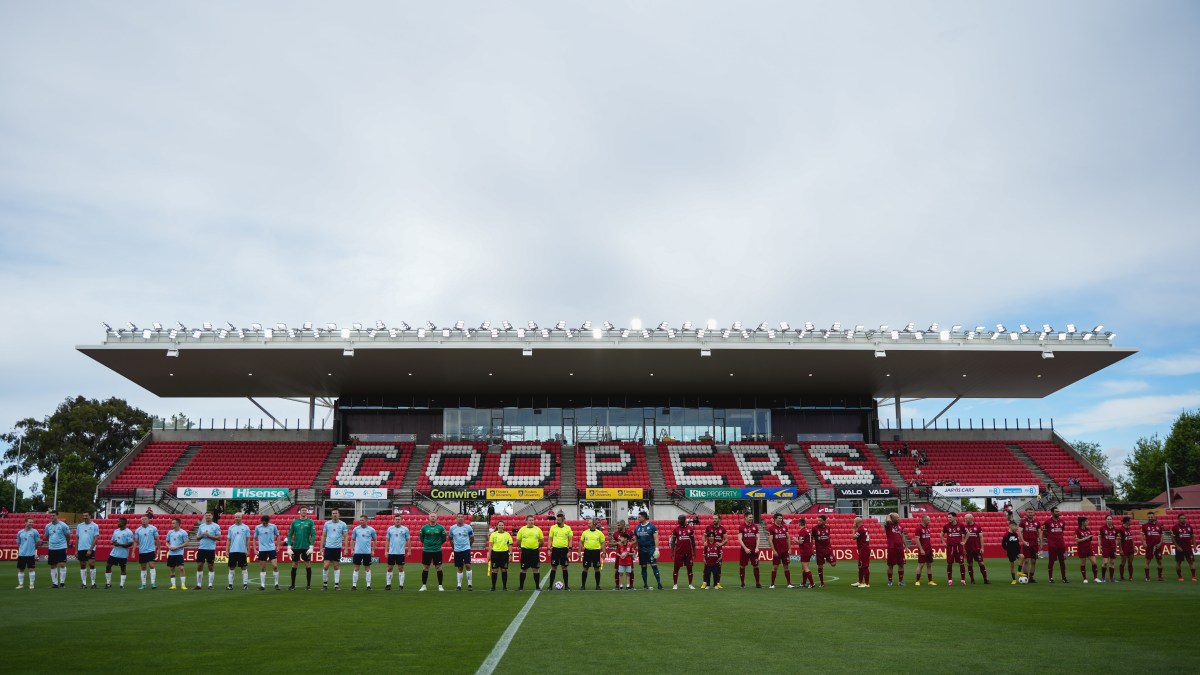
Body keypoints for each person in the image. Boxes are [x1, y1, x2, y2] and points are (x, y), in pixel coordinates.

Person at [287, 506, 316, 590]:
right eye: (302, 510)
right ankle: (292, 585)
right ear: (299, 512)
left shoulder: (310, 522)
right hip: (296, 546)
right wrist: (289, 547)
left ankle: (308, 585)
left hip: (306, 546)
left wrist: (311, 546)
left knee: (307, 564)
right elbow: (289, 534)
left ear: (307, 512)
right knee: (294, 564)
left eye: (305, 510)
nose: (304, 512)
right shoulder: (294, 522)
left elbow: (313, 534)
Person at [320, 509, 349, 591]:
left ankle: (336, 585)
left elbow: (346, 536)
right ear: (331, 514)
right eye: (333, 513)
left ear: (339, 514)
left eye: (336, 513)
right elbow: (323, 536)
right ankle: (325, 584)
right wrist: (321, 547)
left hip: (337, 548)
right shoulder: (327, 524)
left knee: (336, 566)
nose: (334, 514)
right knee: (326, 566)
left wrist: (346, 548)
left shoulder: (343, 524)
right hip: (328, 547)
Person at [418, 513, 447, 592]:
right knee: (425, 568)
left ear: (437, 518)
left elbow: (444, 538)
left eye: (434, 516)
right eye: (431, 516)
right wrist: (427, 544)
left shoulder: (441, 528)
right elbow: (421, 538)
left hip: (437, 550)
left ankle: (440, 586)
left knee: (438, 567)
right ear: (429, 518)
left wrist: (437, 544)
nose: (433, 517)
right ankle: (424, 586)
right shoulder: (424, 528)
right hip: (427, 550)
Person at [634, 511, 664, 590]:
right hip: (641, 549)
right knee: (643, 567)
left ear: (644, 517)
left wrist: (657, 549)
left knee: (654, 566)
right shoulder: (637, 528)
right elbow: (636, 540)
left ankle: (659, 584)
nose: (638, 518)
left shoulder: (652, 526)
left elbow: (656, 538)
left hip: (650, 549)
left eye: (639, 517)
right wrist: (634, 549)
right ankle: (645, 585)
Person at [43, 511, 72, 589]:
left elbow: (68, 536)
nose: (52, 517)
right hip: (52, 548)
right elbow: (47, 536)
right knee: (53, 566)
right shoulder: (48, 526)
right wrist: (51, 543)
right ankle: (55, 583)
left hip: (61, 547)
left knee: (62, 564)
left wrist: (66, 544)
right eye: (51, 516)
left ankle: (62, 583)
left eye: (54, 515)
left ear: (57, 516)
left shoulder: (63, 525)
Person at [515, 514, 544, 591]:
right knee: (523, 569)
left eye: (532, 520)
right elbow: (518, 542)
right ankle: (521, 587)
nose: (531, 521)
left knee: (536, 569)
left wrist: (536, 546)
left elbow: (541, 541)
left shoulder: (538, 529)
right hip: (525, 552)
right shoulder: (522, 530)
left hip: (535, 551)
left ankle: (537, 586)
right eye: (530, 520)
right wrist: (524, 547)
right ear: (526, 521)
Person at [253, 514, 281, 591]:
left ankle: (276, 584)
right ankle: (262, 585)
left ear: (268, 521)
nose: (264, 524)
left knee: (275, 566)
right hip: (262, 549)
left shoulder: (273, 526)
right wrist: (255, 549)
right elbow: (254, 538)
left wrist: (278, 546)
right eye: (263, 523)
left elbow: (278, 536)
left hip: (271, 548)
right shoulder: (258, 527)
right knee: (262, 567)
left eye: (265, 523)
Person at [546, 513, 573, 591]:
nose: (557, 521)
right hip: (555, 550)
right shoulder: (553, 528)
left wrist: (570, 550)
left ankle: (567, 586)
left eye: (558, 520)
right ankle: (550, 586)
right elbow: (550, 539)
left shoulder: (568, 528)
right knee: (554, 567)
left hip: (564, 550)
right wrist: (548, 549)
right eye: (556, 519)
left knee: (564, 567)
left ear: (563, 520)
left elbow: (570, 539)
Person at [1041, 507, 1068, 583]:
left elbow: (1062, 531)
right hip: (1052, 544)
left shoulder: (1062, 521)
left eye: (1058, 511)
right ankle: (1050, 578)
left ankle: (1064, 577)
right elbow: (1045, 532)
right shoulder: (1047, 522)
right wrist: (1046, 540)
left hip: (1061, 544)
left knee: (1062, 561)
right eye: (1056, 511)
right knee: (1051, 561)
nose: (1058, 513)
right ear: (1052, 513)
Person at [106, 517, 134, 589]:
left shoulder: (128, 532)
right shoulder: (116, 531)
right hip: (114, 552)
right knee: (108, 566)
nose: (117, 523)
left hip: (123, 554)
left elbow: (130, 543)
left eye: (119, 522)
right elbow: (112, 540)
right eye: (117, 522)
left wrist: (120, 545)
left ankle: (121, 585)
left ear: (124, 523)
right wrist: (114, 542)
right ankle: (108, 583)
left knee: (123, 568)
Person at [766, 513, 793, 589]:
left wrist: (790, 548)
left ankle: (789, 583)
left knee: (786, 566)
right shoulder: (771, 528)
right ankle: (772, 584)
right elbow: (770, 540)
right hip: (777, 551)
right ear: (775, 519)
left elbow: (788, 538)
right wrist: (773, 550)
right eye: (779, 518)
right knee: (775, 567)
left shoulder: (784, 527)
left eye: (781, 518)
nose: (780, 520)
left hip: (785, 551)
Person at [194, 512, 220, 590]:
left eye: (209, 515)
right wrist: (202, 535)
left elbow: (219, 538)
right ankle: (199, 584)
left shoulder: (216, 526)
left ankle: (210, 584)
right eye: (206, 516)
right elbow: (197, 538)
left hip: (211, 549)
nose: (208, 517)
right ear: (205, 517)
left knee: (210, 566)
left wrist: (209, 536)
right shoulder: (201, 526)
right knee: (199, 565)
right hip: (202, 548)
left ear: (212, 517)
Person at [350, 515, 377, 590]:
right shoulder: (356, 529)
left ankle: (368, 585)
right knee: (356, 568)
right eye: (360, 520)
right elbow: (352, 539)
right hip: (357, 552)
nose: (361, 521)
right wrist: (352, 550)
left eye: (362, 520)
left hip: (367, 552)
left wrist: (373, 550)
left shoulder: (371, 530)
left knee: (367, 569)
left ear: (366, 520)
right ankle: (354, 585)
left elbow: (375, 540)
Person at [670, 514, 696, 590]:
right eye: (678, 519)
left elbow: (693, 541)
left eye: (680, 519)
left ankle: (690, 584)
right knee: (676, 568)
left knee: (689, 568)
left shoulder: (690, 529)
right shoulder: (676, 529)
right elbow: (673, 542)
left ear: (684, 520)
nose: (678, 521)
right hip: (679, 552)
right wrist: (672, 552)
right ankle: (675, 584)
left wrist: (694, 552)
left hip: (688, 553)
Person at [449, 514, 475, 591]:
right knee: (459, 567)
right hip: (457, 550)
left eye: (461, 517)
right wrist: (454, 547)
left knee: (467, 565)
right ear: (456, 518)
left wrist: (468, 546)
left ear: (464, 519)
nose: (460, 518)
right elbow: (450, 538)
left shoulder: (468, 527)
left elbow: (472, 538)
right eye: (459, 517)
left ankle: (470, 584)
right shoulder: (452, 528)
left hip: (466, 549)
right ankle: (459, 585)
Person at [226, 512, 251, 590]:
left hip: (242, 551)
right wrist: (227, 550)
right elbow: (228, 540)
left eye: (238, 517)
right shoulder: (231, 528)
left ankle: (245, 584)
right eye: (236, 517)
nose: (237, 518)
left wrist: (248, 550)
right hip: (233, 551)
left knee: (244, 567)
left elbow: (248, 540)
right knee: (231, 568)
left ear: (241, 518)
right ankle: (230, 585)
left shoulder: (246, 527)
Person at [133, 514, 159, 590]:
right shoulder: (138, 530)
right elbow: (136, 541)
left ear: (148, 520)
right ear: (140, 520)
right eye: (142, 519)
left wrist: (159, 549)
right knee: (143, 567)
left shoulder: (153, 528)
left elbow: (157, 539)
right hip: (142, 551)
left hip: (151, 550)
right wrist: (133, 551)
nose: (143, 520)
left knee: (151, 565)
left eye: (145, 519)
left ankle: (153, 583)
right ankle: (143, 584)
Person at [580, 518, 606, 590]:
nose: (588, 524)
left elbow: (603, 543)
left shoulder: (599, 533)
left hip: (596, 552)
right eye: (588, 523)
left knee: (597, 569)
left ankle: (598, 585)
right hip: (587, 552)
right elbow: (581, 542)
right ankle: (583, 585)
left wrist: (604, 552)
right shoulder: (585, 532)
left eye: (590, 523)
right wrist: (579, 552)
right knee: (585, 568)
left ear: (594, 524)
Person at [75, 512, 101, 589]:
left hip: (90, 548)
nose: (85, 517)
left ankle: (93, 583)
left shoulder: (94, 526)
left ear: (90, 516)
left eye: (86, 516)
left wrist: (90, 549)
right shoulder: (79, 526)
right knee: (82, 565)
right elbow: (77, 538)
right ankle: (84, 583)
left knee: (91, 564)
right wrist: (76, 550)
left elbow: (96, 538)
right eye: (83, 516)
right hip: (81, 548)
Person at [385, 514, 410, 591]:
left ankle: (401, 585)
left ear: (401, 520)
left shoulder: (405, 529)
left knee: (401, 568)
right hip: (391, 553)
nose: (397, 520)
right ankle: (388, 585)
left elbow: (408, 540)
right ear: (394, 520)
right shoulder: (390, 529)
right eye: (396, 519)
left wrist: (409, 551)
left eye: (399, 519)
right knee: (389, 568)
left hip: (401, 552)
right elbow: (387, 540)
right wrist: (386, 551)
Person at [941, 512, 966, 586]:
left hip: (959, 547)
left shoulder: (961, 525)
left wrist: (964, 541)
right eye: (948, 517)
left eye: (950, 517)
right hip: (950, 547)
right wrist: (943, 542)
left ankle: (963, 580)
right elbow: (941, 534)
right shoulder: (946, 526)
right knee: (949, 563)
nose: (949, 519)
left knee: (961, 563)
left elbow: (967, 533)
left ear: (955, 517)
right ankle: (950, 580)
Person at [486, 519, 512, 591]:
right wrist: (489, 554)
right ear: (497, 526)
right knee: (494, 570)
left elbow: (510, 545)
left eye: (502, 525)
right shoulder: (493, 534)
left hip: (504, 554)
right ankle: (493, 587)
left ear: (504, 526)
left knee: (504, 570)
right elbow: (490, 545)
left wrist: (510, 554)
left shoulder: (507, 534)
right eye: (499, 525)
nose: (501, 526)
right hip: (495, 554)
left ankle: (504, 587)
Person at [738, 513, 762, 589]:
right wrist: (745, 548)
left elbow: (758, 537)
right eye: (750, 517)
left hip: (754, 550)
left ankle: (758, 583)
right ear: (745, 518)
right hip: (744, 550)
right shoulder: (741, 527)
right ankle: (742, 583)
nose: (751, 518)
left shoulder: (755, 527)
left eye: (752, 517)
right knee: (742, 566)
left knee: (756, 566)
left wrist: (757, 547)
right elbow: (740, 539)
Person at [964, 514, 989, 584]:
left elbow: (981, 537)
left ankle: (986, 579)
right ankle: (972, 580)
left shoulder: (977, 527)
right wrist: (963, 548)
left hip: (977, 548)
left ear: (971, 518)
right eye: (965, 518)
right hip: (968, 549)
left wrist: (982, 547)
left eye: (966, 518)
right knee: (969, 564)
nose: (965, 520)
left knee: (981, 563)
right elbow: (962, 538)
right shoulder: (964, 527)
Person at [164, 517, 189, 590]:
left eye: (173, 523)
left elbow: (186, 543)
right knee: (172, 568)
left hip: (179, 553)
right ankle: (173, 585)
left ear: (178, 524)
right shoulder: (170, 532)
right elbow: (167, 542)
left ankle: (183, 585)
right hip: (171, 553)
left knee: (181, 568)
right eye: (172, 523)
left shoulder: (183, 532)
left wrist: (177, 547)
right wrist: (169, 547)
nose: (172, 524)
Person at [16, 517, 40, 589]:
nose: (31, 523)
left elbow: (38, 542)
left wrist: (33, 549)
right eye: (29, 522)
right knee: (21, 569)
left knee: (31, 569)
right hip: (22, 554)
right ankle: (21, 584)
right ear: (25, 522)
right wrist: (21, 550)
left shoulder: (35, 532)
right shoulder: (20, 532)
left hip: (30, 554)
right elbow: (19, 543)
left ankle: (31, 584)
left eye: (32, 522)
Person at [1170, 514, 1195, 582]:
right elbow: (1173, 538)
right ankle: (1180, 576)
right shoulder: (1175, 527)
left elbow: (1192, 536)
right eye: (1181, 518)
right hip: (1180, 548)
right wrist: (1177, 546)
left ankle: (1193, 576)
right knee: (1179, 562)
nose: (1183, 519)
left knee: (1191, 561)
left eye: (1184, 518)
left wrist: (1194, 546)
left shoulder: (1189, 527)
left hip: (1188, 548)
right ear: (1178, 519)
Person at [811, 515, 834, 588]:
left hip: (827, 549)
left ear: (824, 521)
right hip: (819, 549)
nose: (819, 522)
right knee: (820, 566)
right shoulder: (814, 528)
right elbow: (811, 538)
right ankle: (822, 582)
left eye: (820, 520)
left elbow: (828, 537)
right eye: (818, 520)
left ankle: (827, 559)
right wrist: (811, 548)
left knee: (833, 564)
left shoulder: (828, 528)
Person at [1018, 510, 1041, 583]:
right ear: (1026, 513)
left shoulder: (1037, 522)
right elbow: (1019, 532)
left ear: (1033, 513)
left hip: (1034, 544)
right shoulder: (1023, 522)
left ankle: (1031, 577)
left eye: (1031, 512)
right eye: (1029, 512)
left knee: (1034, 561)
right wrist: (1023, 541)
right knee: (1026, 560)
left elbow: (1040, 532)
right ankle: (1025, 577)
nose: (1030, 513)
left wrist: (1041, 542)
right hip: (1027, 543)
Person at [1075, 516, 1099, 583]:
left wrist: (1090, 537)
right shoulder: (1077, 530)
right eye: (1086, 521)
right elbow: (1077, 540)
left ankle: (1096, 578)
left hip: (1089, 548)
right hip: (1082, 549)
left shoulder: (1088, 529)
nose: (1088, 522)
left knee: (1094, 562)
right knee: (1083, 563)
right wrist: (1087, 537)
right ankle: (1085, 578)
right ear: (1082, 522)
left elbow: (1090, 538)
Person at [884, 512, 906, 587]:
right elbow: (887, 520)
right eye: (897, 517)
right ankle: (890, 581)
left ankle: (900, 581)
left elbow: (902, 536)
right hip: (892, 547)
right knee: (890, 565)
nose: (898, 518)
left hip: (900, 548)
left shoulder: (900, 526)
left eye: (899, 517)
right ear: (892, 518)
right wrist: (889, 515)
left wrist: (906, 546)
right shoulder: (888, 525)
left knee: (901, 564)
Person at [1141, 512, 1164, 582]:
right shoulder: (1144, 526)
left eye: (1151, 517)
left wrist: (1160, 543)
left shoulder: (1159, 526)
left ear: (1154, 517)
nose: (1150, 518)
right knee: (1147, 561)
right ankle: (1147, 577)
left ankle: (1159, 577)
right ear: (1147, 518)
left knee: (1160, 562)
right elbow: (1142, 535)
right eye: (1149, 517)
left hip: (1157, 546)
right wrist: (1144, 542)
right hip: (1149, 546)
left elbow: (1162, 535)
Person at [913, 515, 935, 586]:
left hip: (929, 549)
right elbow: (917, 539)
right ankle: (917, 581)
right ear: (924, 520)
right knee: (921, 565)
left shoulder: (928, 528)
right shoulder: (918, 528)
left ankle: (930, 581)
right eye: (928, 520)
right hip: (923, 550)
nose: (930, 521)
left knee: (929, 565)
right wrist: (921, 549)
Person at [850, 516, 870, 588]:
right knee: (860, 566)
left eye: (854, 522)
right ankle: (860, 581)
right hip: (864, 548)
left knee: (864, 566)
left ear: (856, 522)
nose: (853, 523)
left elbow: (853, 537)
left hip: (863, 549)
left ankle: (867, 583)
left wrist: (853, 529)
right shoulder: (865, 528)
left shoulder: (860, 529)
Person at [795, 517, 814, 588]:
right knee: (804, 567)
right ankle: (803, 583)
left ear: (799, 523)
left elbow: (800, 542)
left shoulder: (802, 531)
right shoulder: (808, 530)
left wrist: (795, 540)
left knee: (805, 567)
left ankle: (812, 584)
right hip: (808, 550)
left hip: (805, 551)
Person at [1100, 515, 1119, 583]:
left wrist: (1116, 547)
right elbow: (1099, 538)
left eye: (1110, 519)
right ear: (1106, 520)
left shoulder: (1115, 529)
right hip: (1105, 547)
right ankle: (1103, 577)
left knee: (1112, 562)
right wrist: (1100, 546)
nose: (1109, 520)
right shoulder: (1102, 528)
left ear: (1112, 520)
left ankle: (1111, 578)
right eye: (1108, 519)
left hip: (1113, 548)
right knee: (1105, 562)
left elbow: (1116, 538)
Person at [1118, 516, 1136, 582]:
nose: (1131, 522)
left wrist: (1134, 547)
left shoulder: (1129, 529)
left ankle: (1130, 577)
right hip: (1124, 549)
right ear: (1127, 522)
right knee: (1123, 563)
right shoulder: (1120, 529)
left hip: (1130, 548)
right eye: (1130, 521)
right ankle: (1121, 577)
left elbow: (1131, 539)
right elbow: (1119, 540)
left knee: (1130, 563)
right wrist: (1120, 549)